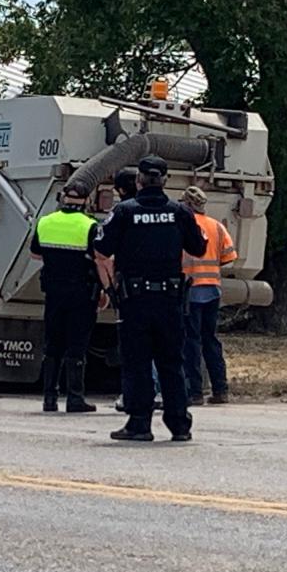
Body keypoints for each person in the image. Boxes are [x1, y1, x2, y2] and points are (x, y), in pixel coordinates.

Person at [95, 156, 207, 441]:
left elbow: (101, 248)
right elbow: (198, 247)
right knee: (171, 362)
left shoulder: (125, 211)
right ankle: (179, 425)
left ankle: (140, 423)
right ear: (166, 180)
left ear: (139, 181)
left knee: (138, 362)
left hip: (136, 301)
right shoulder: (180, 212)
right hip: (170, 300)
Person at [30, 183, 101, 413]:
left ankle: (49, 398)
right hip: (81, 294)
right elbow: (99, 258)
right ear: (86, 201)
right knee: (76, 346)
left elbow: (35, 253)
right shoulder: (90, 225)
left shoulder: (45, 222)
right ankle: (75, 398)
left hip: (53, 293)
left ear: (62, 198)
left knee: (53, 345)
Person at [179, 186, 237, 405]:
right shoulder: (217, 226)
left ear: (186, 204)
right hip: (212, 289)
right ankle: (220, 389)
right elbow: (228, 257)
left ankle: (194, 392)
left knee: (190, 342)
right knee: (210, 340)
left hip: (189, 289)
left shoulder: (182, 226)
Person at [111, 167, 161, 413]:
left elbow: (102, 253)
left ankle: (135, 398)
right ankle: (167, 399)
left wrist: (108, 288)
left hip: (132, 292)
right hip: (167, 292)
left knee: (135, 349)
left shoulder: (122, 212)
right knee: (165, 348)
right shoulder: (171, 211)